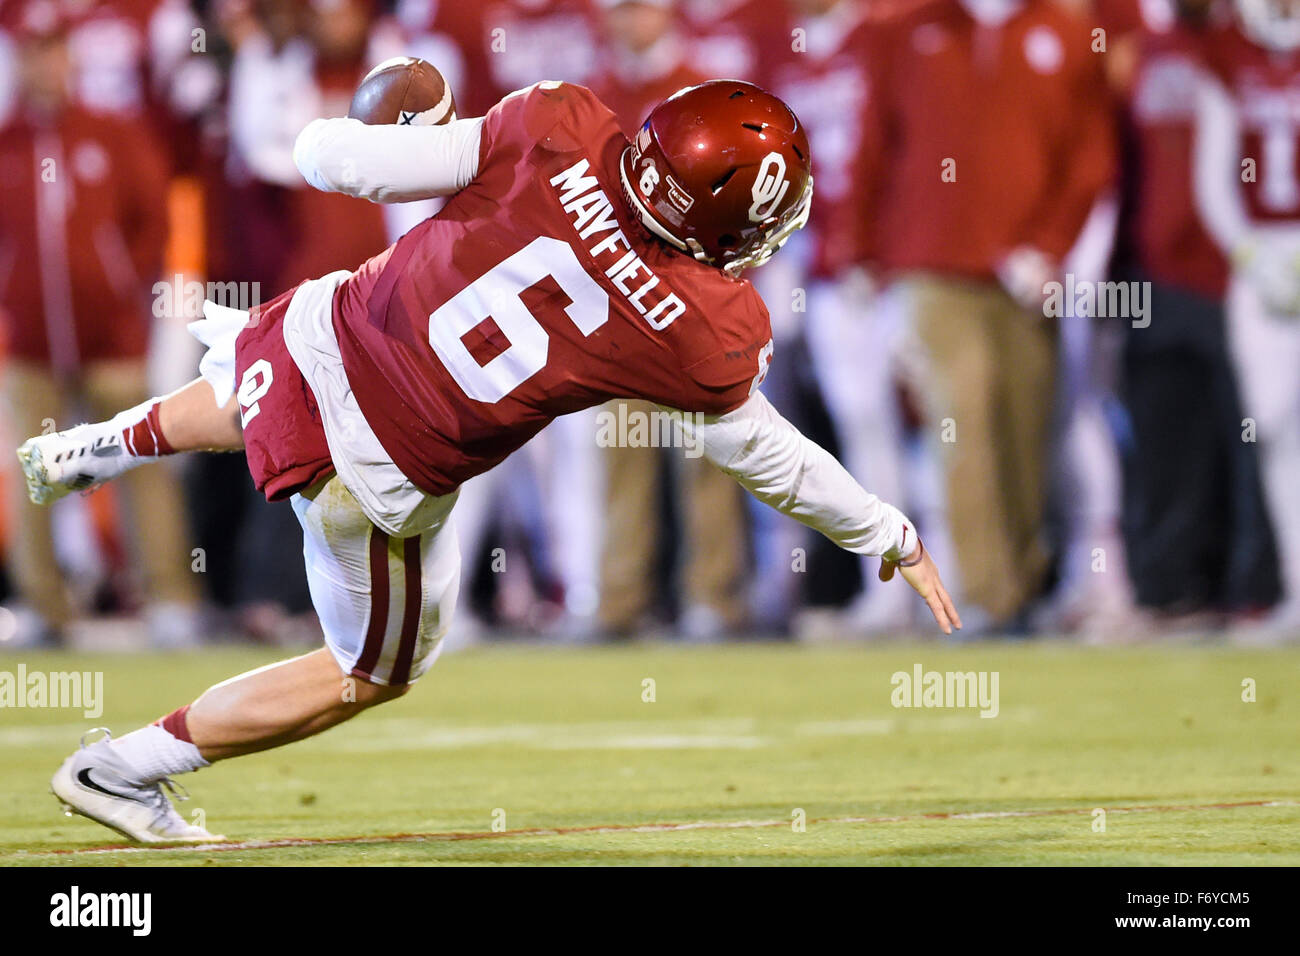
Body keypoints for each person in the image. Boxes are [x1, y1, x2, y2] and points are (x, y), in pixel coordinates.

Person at [19, 78, 959, 842]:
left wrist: (404, 123)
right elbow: (773, 460)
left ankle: (95, 447)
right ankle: (121, 769)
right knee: (372, 672)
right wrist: (888, 530)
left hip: (314, 333)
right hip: (376, 476)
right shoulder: (698, 325)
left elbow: (329, 159)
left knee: (270, 384)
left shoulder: (560, 121)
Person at [1193, 0, 1300, 637]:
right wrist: (1252, 253)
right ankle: (1295, 587)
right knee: (1274, 426)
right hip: (1261, 262)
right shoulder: (1225, 56)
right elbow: (1213, 178)